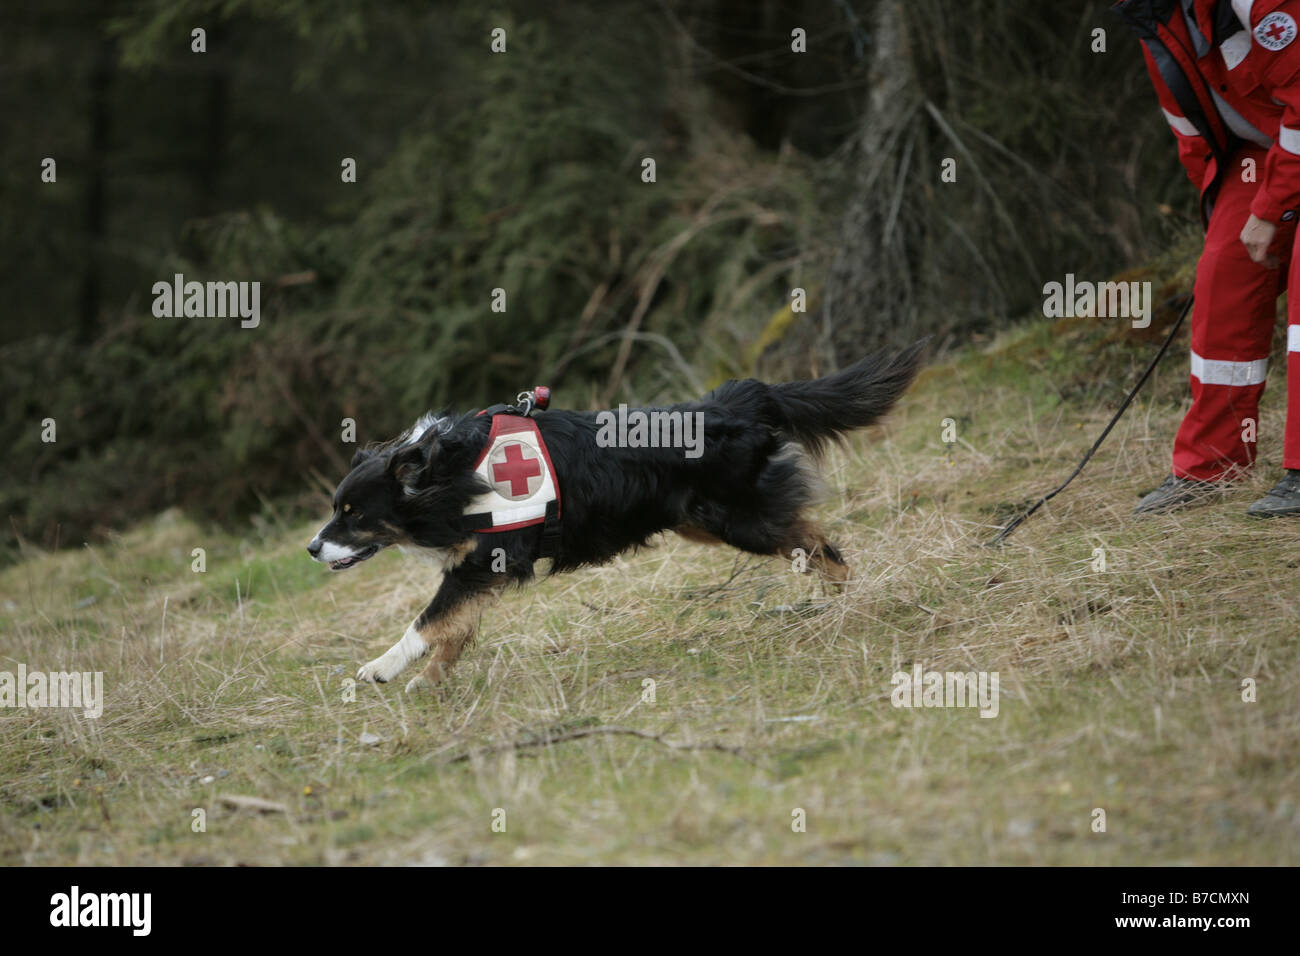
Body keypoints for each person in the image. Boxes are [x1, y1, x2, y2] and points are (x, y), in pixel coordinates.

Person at [1117, 0, 1300, 514]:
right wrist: (1239, 217)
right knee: (1222, 267)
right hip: (1268, 154)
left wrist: (1276, 211)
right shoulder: (1153, 18)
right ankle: (1212, 466)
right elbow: (1196, 140)